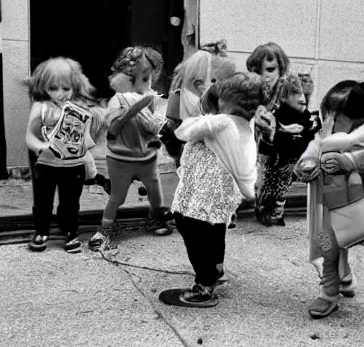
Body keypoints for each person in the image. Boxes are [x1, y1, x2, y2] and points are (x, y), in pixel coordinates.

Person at [164, 72, 265, 307]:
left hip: (204, 191)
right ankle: (216, 267)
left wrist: (171, 129)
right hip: (216, 193)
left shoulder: (221, 122)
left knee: (189, 225)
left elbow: (185, 132)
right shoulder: (245, 125)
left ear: (227, 101)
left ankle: (204, 285)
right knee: (214, 228)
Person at [294, 80, 364, 319]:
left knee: (341, 246)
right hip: (326, 212)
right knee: (327, 248)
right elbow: (308, 156)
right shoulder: (321, 140)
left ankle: (341, 280)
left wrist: (347, 161)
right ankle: (330, 291)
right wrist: (306, 166)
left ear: (356, 120)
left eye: (338, 117)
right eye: (328, 114)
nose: (329, 121)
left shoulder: (363, 138)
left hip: (352, 209)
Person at [88, 46, 173, 250]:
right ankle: (106, 229)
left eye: (148, 78)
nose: (146, 83)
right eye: (138, 78)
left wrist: (157, 129)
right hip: (121, 157)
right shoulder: (117, 100)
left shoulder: (150, 97)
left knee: (155, 191)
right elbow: (112, 130)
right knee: (118, 196)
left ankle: (155, 219)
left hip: (146, 156)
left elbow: (152, 126)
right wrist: (130, 113)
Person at [25, 57, 98, 253]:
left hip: (73, 164)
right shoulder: (41, 107)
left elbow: (86, 137)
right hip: (46, 163)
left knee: (70, 202)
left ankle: (70, 230)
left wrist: (90, 164)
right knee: (42, 200)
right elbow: (30, 135)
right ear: (43, 87)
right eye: (53, 88)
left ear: (76, 86)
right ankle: (41, 230)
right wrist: (40, 146)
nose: (60, 94)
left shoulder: (80, 108)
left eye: (66, 88)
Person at [256, 74, 320, 226]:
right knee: (273, 179)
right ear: (284, 97)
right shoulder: (277, 116)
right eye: (296, 93)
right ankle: (269, 209)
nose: (302, 98)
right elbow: (271, 139)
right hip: (277, 160)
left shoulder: (307, 118)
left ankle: (276, 210)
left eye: (305, 94)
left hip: (298, 161)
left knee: (284, 174)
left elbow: (308, 127)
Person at [246, 42, 292, 221]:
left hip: (282, 140)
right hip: (260, 142)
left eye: (271, 69)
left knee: (281, 173)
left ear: (281, 69)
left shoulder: (287, 88)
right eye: (258, 71)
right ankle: (263, 205)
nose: (265, 76)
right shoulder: (252, 88)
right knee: (262, 175)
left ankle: (277, 207)